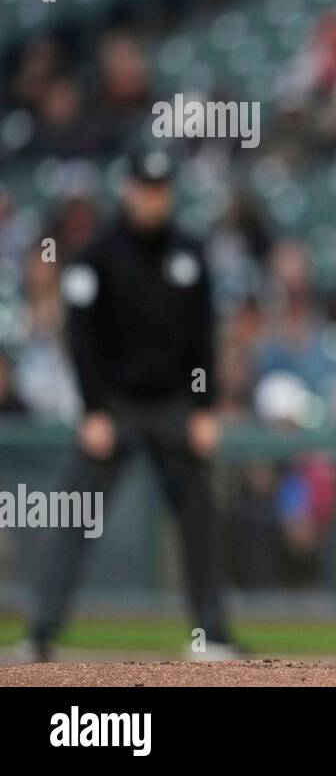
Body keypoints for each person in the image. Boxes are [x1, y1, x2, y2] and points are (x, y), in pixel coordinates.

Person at [16, 146, 238, 663]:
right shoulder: (97, 255)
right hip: (113, 405)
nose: (153, 199)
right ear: (128, 190)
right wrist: (92, 408)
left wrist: (205, 407)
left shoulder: (188, 253)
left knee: (199, 515)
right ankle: (42, 629)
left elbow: (204, 335)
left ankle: (213, 632)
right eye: (145, 188)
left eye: (161, 190)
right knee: (74, 514)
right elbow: (83, 340)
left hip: (173, 404)